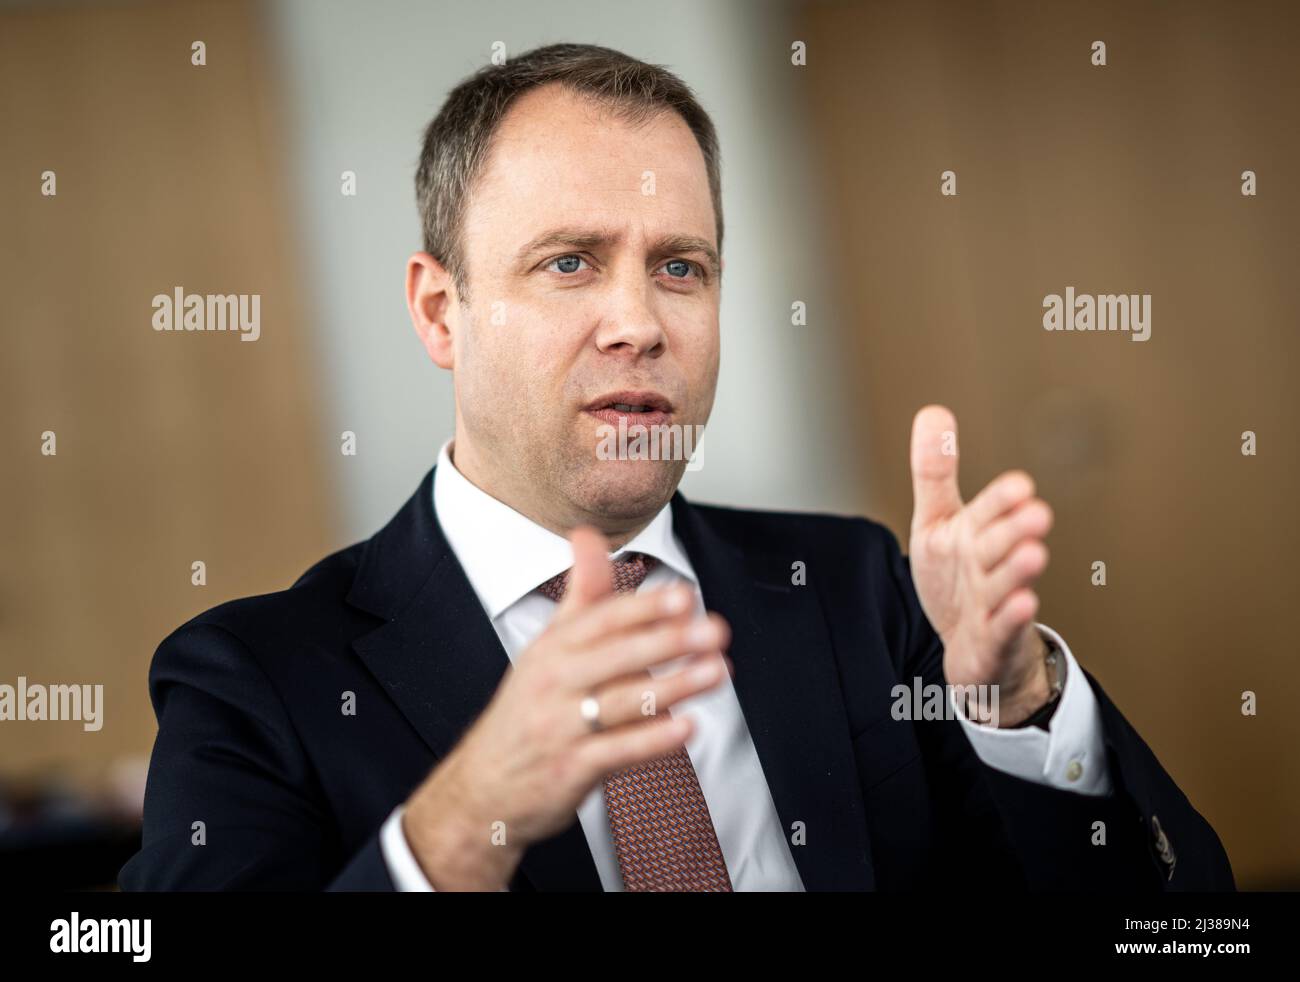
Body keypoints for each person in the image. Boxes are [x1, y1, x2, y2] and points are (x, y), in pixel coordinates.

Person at [118, 43, 1233, 892]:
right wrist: (456, 825)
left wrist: (1016, 701)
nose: (639, 323)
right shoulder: (255, 680)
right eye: (569, 262)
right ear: (438, 308)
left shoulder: (858, 589)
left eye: (681, 267)